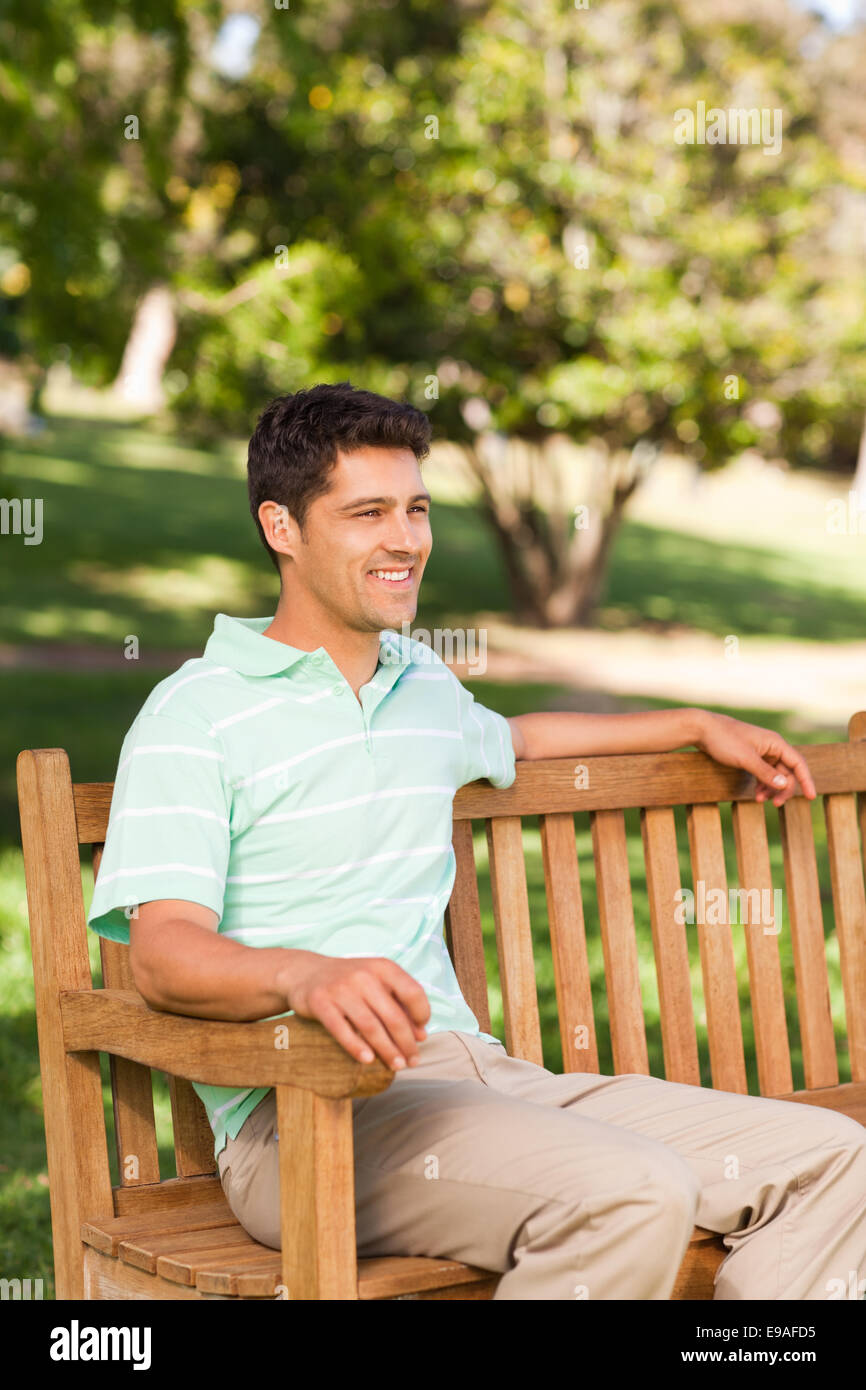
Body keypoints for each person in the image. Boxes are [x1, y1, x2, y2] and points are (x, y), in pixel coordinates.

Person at [87, 381, 866, 1300]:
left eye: (416, 509)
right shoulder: (196, 714)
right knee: (628, 1192)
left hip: (484, 1079)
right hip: (312, 1113)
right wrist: (305, 976)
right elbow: (164, 957)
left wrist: (694, 720)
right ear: (281, 528)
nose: (405, 539)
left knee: (833, 1157)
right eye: (368, 512)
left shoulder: (419, 685)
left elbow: (525, 738)